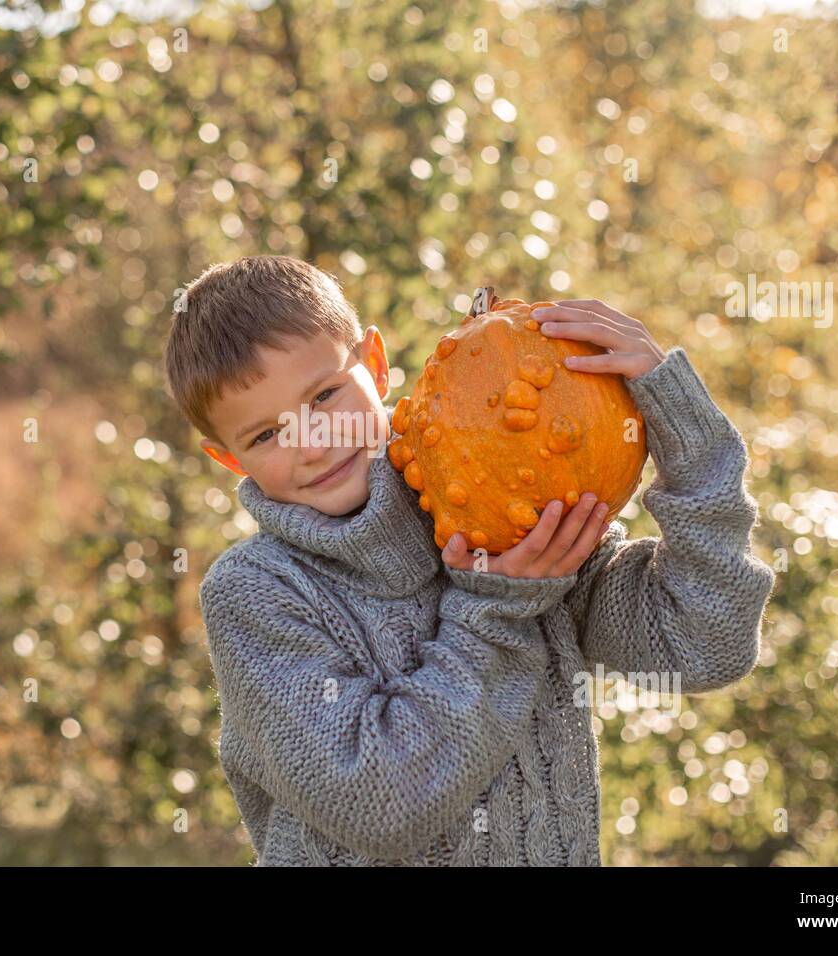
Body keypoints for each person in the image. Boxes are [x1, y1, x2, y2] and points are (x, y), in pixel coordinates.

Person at [162, 254, 775, 865]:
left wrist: (688, 438)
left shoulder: (511, 516)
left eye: (323, 395)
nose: (312, 442)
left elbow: (704, 644)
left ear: (375, 365)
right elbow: (383, 803)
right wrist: (497, 611)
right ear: (231, 459)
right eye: (265, 435)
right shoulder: (256, 594)